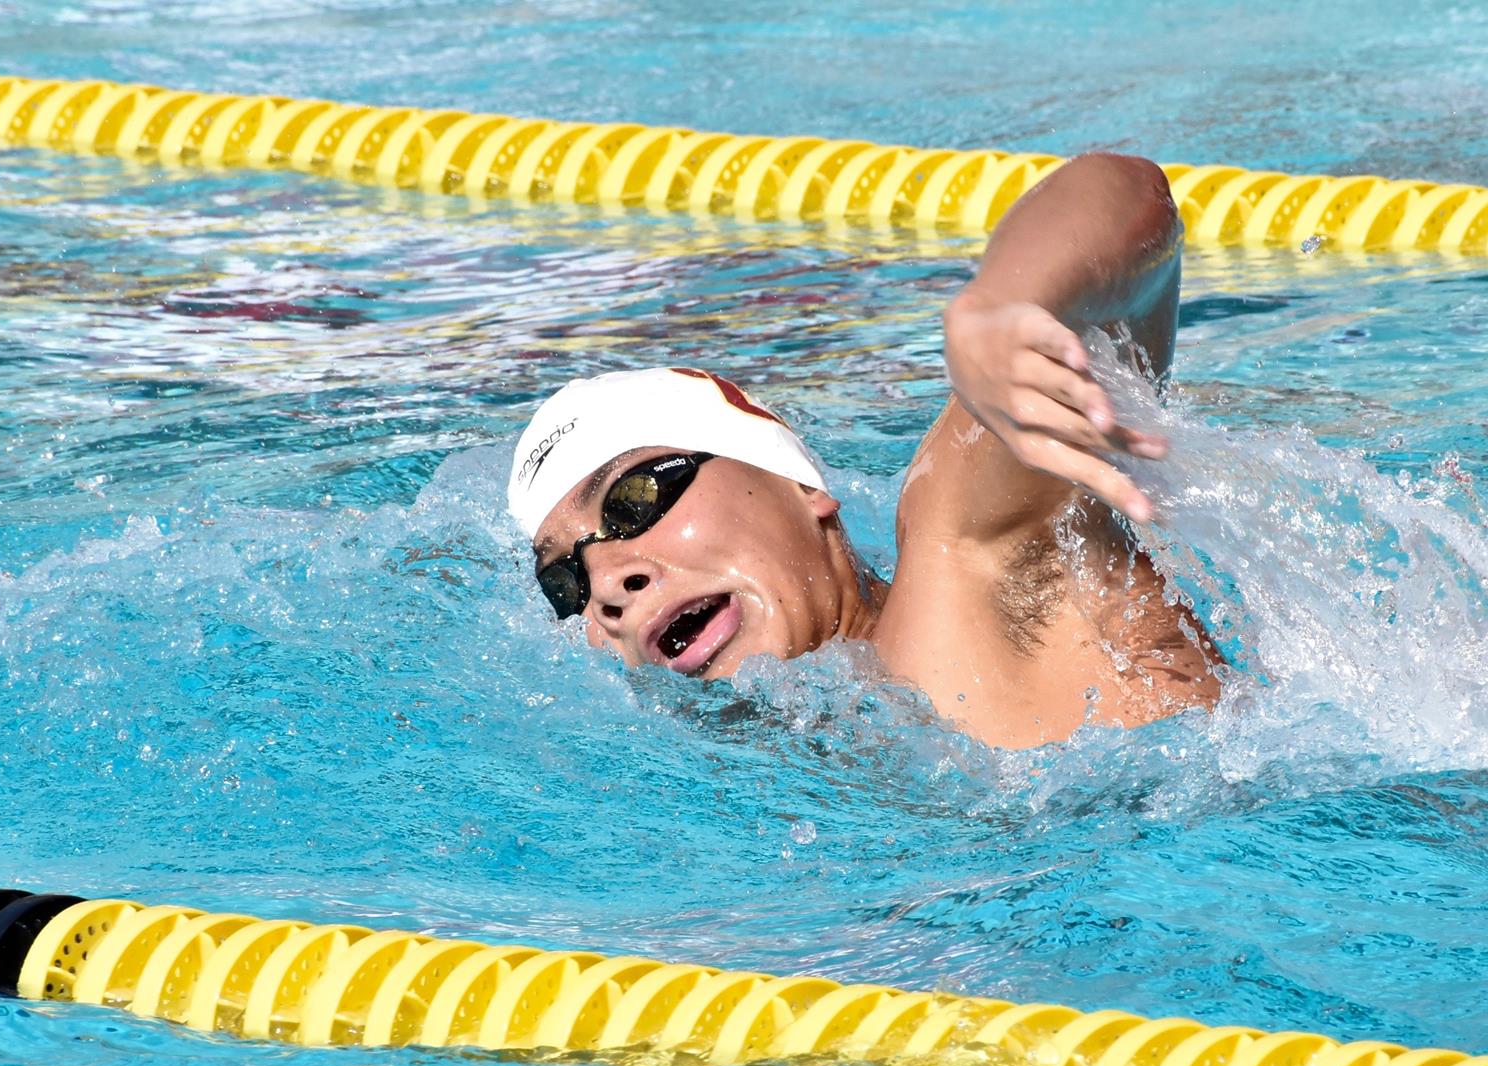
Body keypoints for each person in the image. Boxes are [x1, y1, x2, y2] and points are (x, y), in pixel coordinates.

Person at [505, 151, 1220, 749]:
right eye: (566, 582)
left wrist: (1003, 305)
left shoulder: (963, 559)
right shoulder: (802, 774)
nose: (605, 583)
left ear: (799, 484)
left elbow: (1127, 193)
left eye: (636, 500)